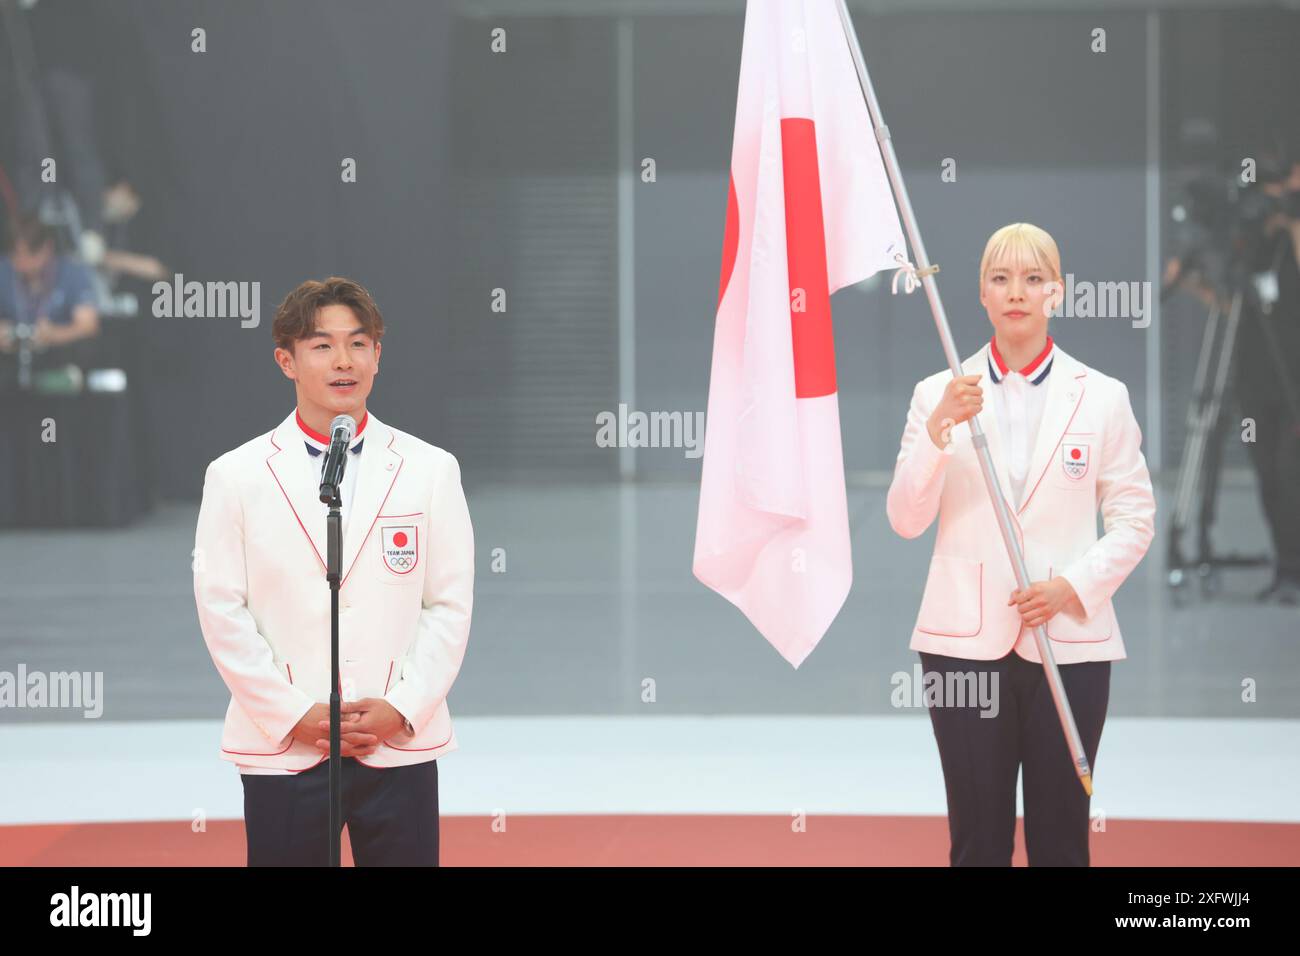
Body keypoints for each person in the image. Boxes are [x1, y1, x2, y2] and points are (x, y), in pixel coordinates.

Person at [886, 223, 1156, 866]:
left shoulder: (1104, 397)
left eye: (1033, 279)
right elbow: (904, 518)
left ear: (1056, 293)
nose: (1017, 293)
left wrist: (1074, 585)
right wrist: (938, 431)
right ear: (981, 293)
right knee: (978, 840)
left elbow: (1135, 518)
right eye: (1001, 279)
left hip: (1071, 642)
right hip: (963, 647)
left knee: (1062, 839)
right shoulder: (936, 394)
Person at [192, 276, 474, 866]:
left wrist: (404, 705)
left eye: (358, 343)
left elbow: (449, 604)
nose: (343, 361)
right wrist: (293, 713)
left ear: (377, 355)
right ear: (286, 361)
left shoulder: (430, 470)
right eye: (321, 345)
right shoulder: (236, 476)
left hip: (396, 742)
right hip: (286, 746)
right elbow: (221, 608)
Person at [0, 211, 99, 357]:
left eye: (29, 256)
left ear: (47, 248)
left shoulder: (72, 272)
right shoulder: (4, 269)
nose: (22, 264)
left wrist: (55, 334)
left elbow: (88, 325)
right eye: (16, 256)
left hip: (59, 357)